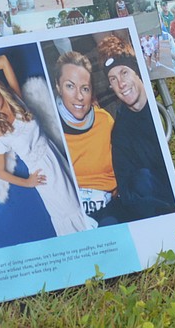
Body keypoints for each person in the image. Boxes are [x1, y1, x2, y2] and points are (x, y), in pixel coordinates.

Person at [0, 53, 86, 236]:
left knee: (83, 203)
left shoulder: (17, 99)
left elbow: (4, 61)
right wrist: (28, 182)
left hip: (56, 157)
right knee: (72, 212)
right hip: (44, 176)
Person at [98, 36, 175, 220]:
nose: (121, 84)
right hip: (160, 204)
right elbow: (128, 189)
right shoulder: (120, 132)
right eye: (113, 79)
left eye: (124, 73)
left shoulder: (165, 109)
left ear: (137, 72)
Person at [52, 50, 125, 225]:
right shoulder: (50, 126)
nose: (79, 96)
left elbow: (123, 166)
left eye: (84, 88)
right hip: (68, 214)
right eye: (70, 86)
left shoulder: (104, 121)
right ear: (58, 87)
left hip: (107, 211)